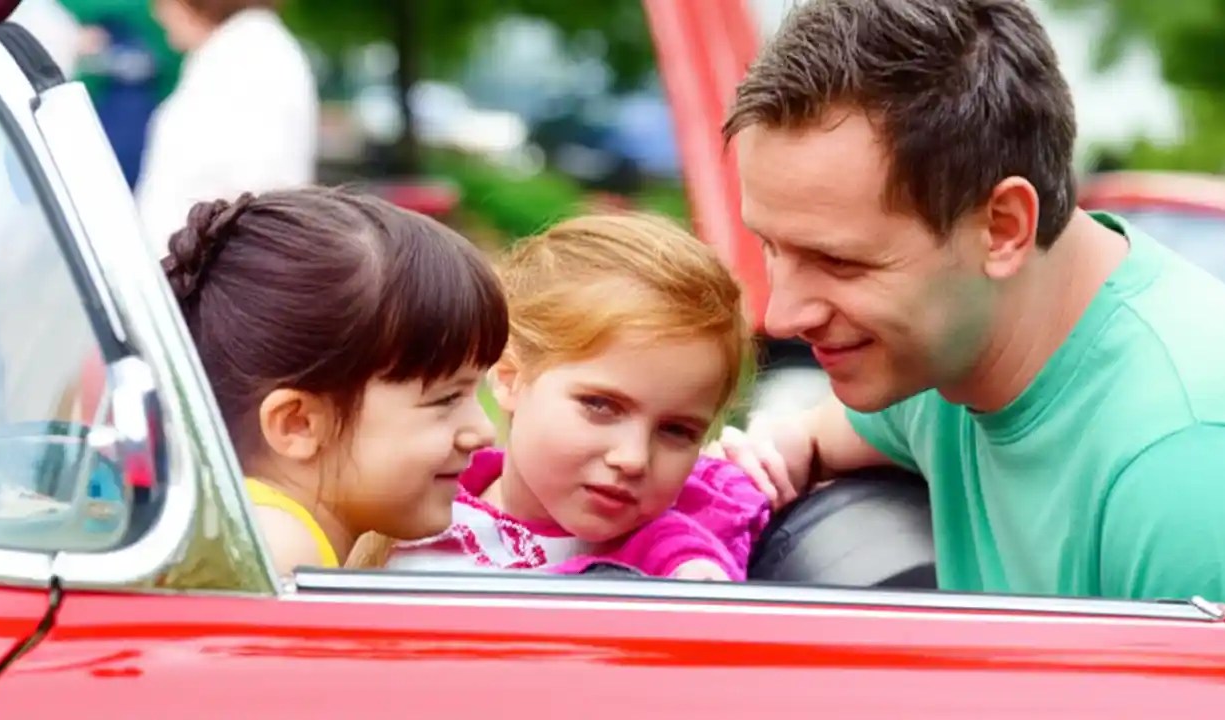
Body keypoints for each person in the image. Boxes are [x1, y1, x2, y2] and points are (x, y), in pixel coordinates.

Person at [714, 0, 1225, 601]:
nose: (782, 316)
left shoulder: (1195, 467)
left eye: (839, 262)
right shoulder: (947, 353)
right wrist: (782, 447)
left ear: (1002, 227)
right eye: (770, 246)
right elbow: (822, 434)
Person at [352, 214, 769, 580]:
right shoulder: (401, 504)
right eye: (601, 406)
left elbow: (686, 562)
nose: (633, 457)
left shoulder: (671, 552)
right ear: (511, 378)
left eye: (677, 430)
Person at [162, 187, 507, 575]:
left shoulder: (248, 527)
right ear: (299, 423)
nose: (484, 430)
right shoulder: (278, 548)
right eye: (446, 399)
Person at [137, 0, 317, 255]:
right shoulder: (232, 52)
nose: (156, 12)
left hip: (211, 283)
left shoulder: (252, 58)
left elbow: (257, 196)